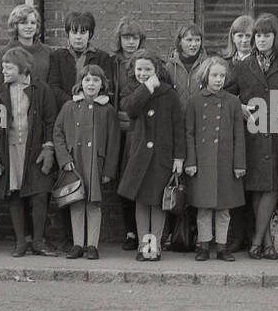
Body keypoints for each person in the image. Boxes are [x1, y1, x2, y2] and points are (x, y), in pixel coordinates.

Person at [225, 14, 278, 259]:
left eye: (267, 35)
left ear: (276, 37)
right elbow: (226, 96)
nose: (261, 39)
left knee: (271, 188)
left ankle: (257, 242)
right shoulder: (240, 67)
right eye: (258, 35)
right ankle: (266, 243)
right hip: (252, 137)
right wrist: (239, 105)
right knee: (257, 189)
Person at [0, 46, 58, 257]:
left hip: (35, 151)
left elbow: (50, 121)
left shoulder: (41, 89)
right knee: (14, 194)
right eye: (3, 68)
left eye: (8, 68)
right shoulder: (0, 93)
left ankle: (38, 241)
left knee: (39, 195)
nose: (4, 72)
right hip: (10, 151)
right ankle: (20, 242)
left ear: (22, 68)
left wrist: (48, 148)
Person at [118, 52, 184, 261]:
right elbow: (130, 109)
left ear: (157, 71)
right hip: (138, 156)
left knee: (157, 202)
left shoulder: (169, 94)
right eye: (139, 69)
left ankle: (153, 247)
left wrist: (179, 158)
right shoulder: (131, 91)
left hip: (161, 156)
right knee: (141, 202)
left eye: (148, 69)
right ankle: (142, 246)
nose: (143, 73)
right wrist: (146, 88)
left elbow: (178, 127)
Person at [53, 63, 120, 259]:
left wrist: (109, 169)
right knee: (76, 202)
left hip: (96, 164)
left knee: (94, 204)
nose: (91, 84)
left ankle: (92, 245)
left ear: (102, 84)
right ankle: (77, 244)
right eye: (87, 79)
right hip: (74, 162)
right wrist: (64, 158)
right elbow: (58, 133)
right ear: (80, 83)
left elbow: (114, 142)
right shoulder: (69, 107)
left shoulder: (107, 110)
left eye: (96, 80)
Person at [184, 55, 247, 261]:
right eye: (214, 75)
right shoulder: (194, 101)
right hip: (202, 162)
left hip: (225, 162)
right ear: (206, 76)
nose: (218, 79)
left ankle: (222, 247)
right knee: (203, 208)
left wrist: (239, 164)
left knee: (223, 208)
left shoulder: (232, 102)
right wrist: (191, 162)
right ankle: (203, 246)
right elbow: (189, 134)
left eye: (222, 76)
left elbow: (239, 135)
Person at [220, 14, 257, 252]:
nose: (244, 40)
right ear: (232, 37)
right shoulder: (224, 63)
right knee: (232, 185)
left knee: (252, 185)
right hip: (228, 129)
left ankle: (251, 235)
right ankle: (232, 236)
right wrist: (237, 105)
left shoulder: (259, 62)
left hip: (254, 129)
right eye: (239, 35)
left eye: (248, 36)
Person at [112, 16, 149, 250]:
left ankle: (143, 231)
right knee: (123, 180)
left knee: (141, 180)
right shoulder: (111, 62)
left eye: (134, 37)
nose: (130, 42)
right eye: (126, 37)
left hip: (140, 128)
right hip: (117, 128)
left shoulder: (147, 61)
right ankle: (130, 231)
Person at [0, 4, 59, 110]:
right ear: (15, 26)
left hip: (42, 110)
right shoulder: (5, 53)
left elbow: (52, 88)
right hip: (14, 112)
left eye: (32, 23)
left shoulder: (47, 52)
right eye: (23, 23)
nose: (29, 26)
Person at [50, 11, 115, 108]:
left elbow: (107, 87)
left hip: (93, 112)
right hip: (65, 110)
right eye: (74, 32)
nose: (78, 37)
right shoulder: (57, 56)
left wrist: (88, 104)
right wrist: (73, 103)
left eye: (83, 32)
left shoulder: (102, 58)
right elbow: (53, 87)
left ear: (90, 34)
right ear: (68, 34)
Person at [166, 22, 211, 114]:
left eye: (197, 40)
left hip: (201, 119)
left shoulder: (208, 66)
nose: (194, 44)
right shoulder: (169, 66)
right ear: (180, 41)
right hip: (177, 120)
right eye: (189, 40)